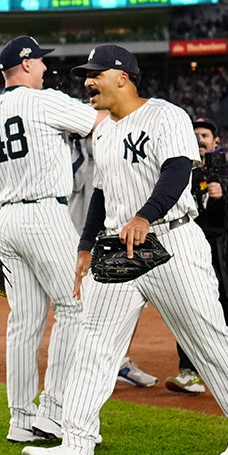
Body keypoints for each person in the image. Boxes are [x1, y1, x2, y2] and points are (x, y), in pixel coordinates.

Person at [23, 44, 228, 455]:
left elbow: (176, 171)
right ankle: (76, 445)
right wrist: (84, 246)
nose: (87, 82)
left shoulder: (166, 115)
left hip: (170, 239)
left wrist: (145, 215)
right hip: (118, 248)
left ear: (123, 77)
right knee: (93, 343)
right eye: (85, 75)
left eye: (95, 74)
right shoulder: (101, 131)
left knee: (206, 337)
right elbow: (99, 193)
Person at [0, 36, 102, 444]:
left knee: (23, 324)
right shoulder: (45, 100)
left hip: (7, 219)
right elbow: (97, 123)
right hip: (45, 213)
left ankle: (20, 419)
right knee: (74, 308)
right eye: (41, 61)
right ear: (26, 65)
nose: (46, 67)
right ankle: (54, 410)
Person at [165, 117, 228, 394]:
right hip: (188, 248)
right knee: (187, 309)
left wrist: (225, 195)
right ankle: (188, 372)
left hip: (224, 248)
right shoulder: (179, 170)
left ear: (215, 141)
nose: (199, 139)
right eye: (194, 134)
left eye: (204, 135)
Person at [69, 134, 159, 390]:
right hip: (79, 237)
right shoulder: (75, 148)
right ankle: (84, 369)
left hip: (112, 237)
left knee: (129, 305)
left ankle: (118, 361)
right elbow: (75, 182)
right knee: (82, 309)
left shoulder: (116, 147)